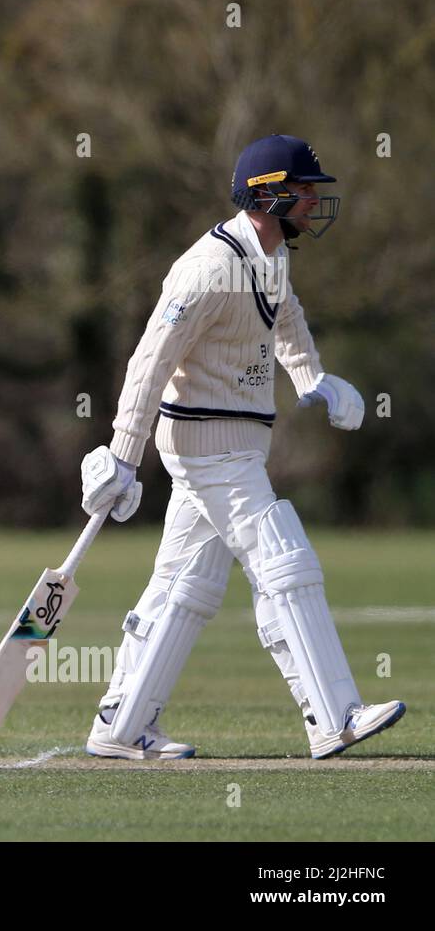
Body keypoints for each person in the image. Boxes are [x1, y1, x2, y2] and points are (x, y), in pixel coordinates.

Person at [79, 134, 404, 760]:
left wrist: (312, 376)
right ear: (269, 193)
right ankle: (334, 717)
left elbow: (286, 317)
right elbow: (151, 360)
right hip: (208, 447)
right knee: (283, 558)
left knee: (185, 585)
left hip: (236, 446)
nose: (314, 200)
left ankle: (120, 725)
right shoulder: (206, 271)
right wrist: (122, 452)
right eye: (304, 189)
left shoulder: (271, 255)